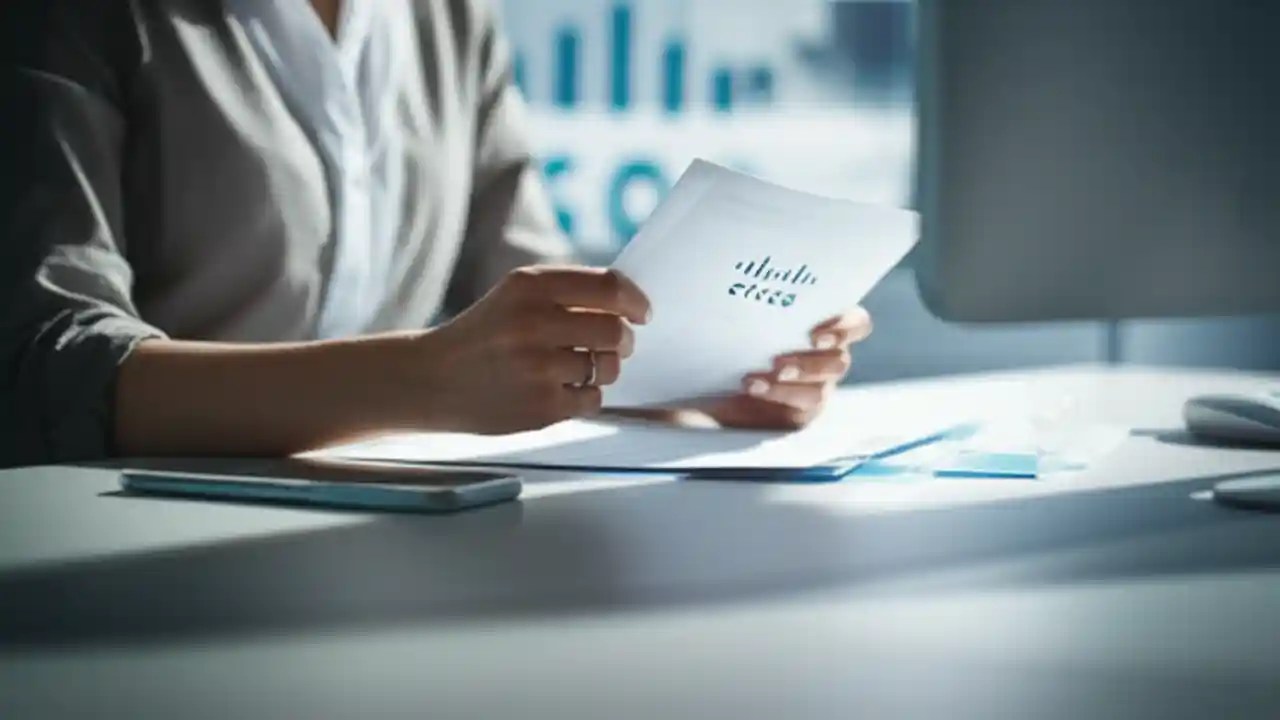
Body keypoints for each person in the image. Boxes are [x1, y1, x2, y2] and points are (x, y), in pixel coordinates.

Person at [0, 0, 873, 469]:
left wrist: (718, 369)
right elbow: (47, 369)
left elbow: (535, 297)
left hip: (378, 545)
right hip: (124, 547)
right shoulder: (76, 17)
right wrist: (424, 380)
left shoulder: (450, 18)